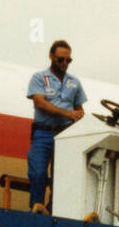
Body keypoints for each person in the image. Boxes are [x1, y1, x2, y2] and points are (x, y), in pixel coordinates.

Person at [25, 40, 86, 213]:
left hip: (65, 135)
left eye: (68, 61)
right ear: (51, 56)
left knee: (60, 177)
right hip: (43, 133)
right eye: (61, 60)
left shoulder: (75, 82)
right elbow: (40, 103)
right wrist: (67, 114)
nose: (64, 64)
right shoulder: (39, 78)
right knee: (37, 172)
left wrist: (79, 120)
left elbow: (79, 110)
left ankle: (53, 211)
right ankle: (36, 207)